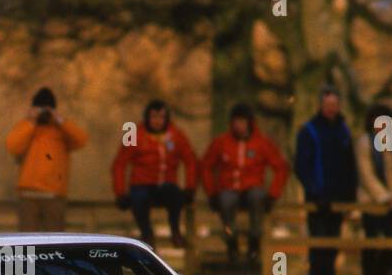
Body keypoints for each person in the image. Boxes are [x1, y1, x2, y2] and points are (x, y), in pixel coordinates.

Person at [200, 102, 289, 263]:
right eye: (236, 122)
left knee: (257, 197)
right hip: (229, 188)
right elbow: (206, 166)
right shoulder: (221, 142)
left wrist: (273, 194)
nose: (239, 126)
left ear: (250, 123)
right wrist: (212, 193)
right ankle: (231, 239)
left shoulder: (262, 143)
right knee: (226, 201)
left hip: (252, 188)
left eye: (243, 121)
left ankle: (254, 240)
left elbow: (281, 168)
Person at [111, 99, 198, 248]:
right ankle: (147, 233)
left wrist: (190, 187)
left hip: (166, 184)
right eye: (154, 117)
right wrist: (120, 193)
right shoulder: (133, 133)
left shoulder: (176, 135)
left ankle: (175, 232)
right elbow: (120, 163)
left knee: (175, 194)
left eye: (161, 117)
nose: (157, 121)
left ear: (166, 119)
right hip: (141, 184)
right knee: (138, 198)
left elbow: (190, 161)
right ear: (147, 118)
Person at [294, 87, 357, 275]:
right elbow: (302, 166)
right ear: (321, 106)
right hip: (317, 198)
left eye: (334, 105)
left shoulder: (344, 131)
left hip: (338, 198)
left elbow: (350, 166)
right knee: (319, 242)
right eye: (327, 104)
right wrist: (314, 191)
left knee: (333, 243)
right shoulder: (309, 131)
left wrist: (350, 197)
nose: (331, 109)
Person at [5, 87, 88, 231]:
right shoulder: (27, 126)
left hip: (54, 196)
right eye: (39, 108)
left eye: (47, 109)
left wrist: (60, 120)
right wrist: (31, 121)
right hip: (28, 197)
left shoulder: (61, 130)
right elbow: (12, 145)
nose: (43, 113)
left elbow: (81, 140)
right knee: (28, 244)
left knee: (55, 243)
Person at [357, 102, 392, 275]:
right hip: (372, 203)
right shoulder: (365, 142)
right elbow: (366, 174)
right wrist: (385, 196)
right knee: (373, 241)